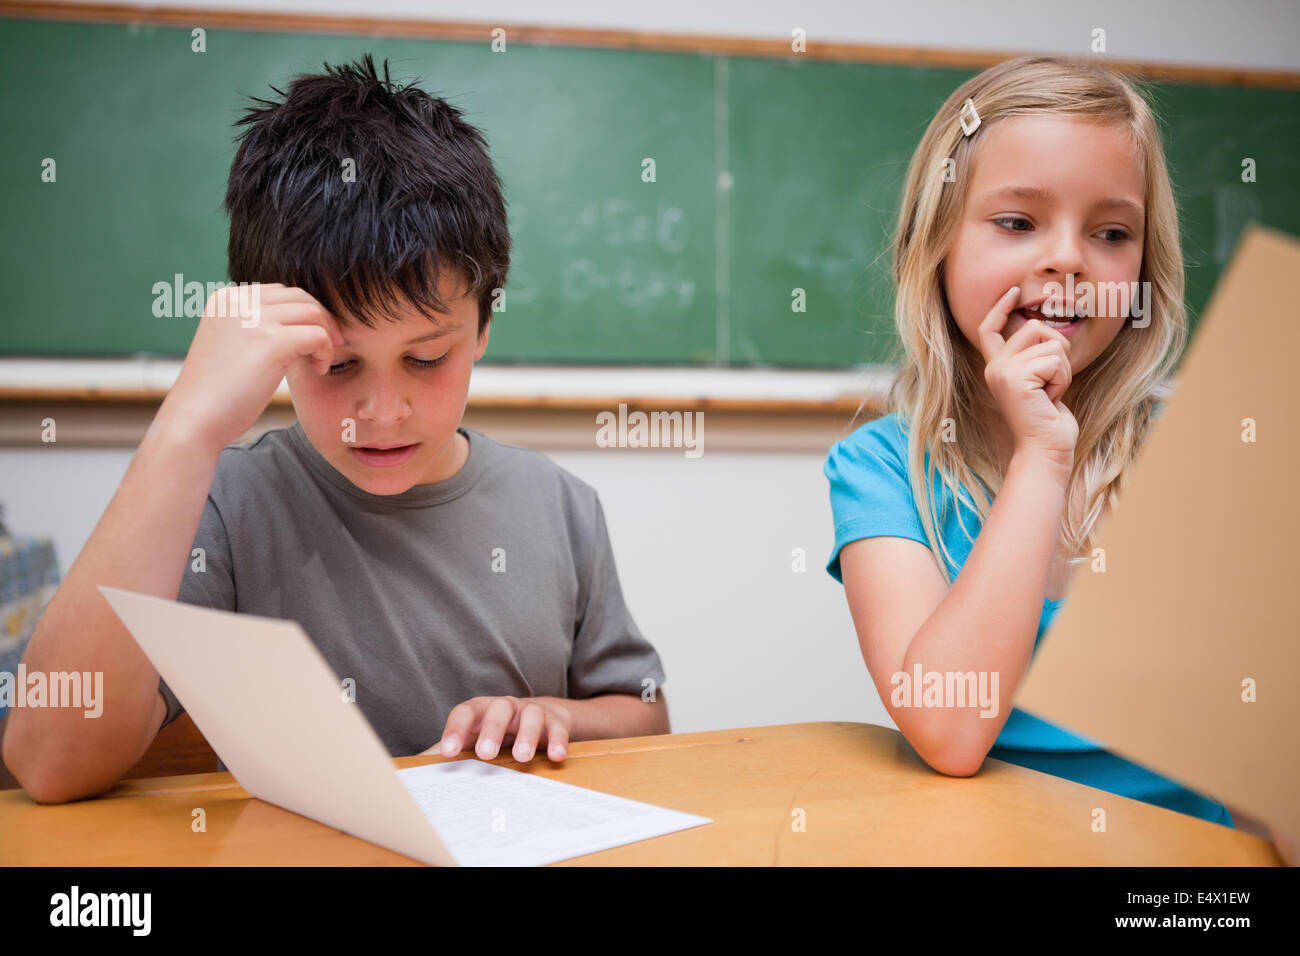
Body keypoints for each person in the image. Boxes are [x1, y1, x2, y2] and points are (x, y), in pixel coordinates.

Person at [6, 55, 668, 804]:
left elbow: (646, 713)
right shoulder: (223, 505)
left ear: (484, 324)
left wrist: (555, 717)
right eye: (336, 365)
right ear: (266, 336)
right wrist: (185, 427)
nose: (383, 412)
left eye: (426, 358)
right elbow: (49, 762)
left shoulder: (560, 506)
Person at [825, 55, 1233, 825]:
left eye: (1112, 233)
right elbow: (949, 730)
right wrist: (1042, 460)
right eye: (1017, 222)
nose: (1069, 259)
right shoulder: (879, 468)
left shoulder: (1202, 457)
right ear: (936, 244)